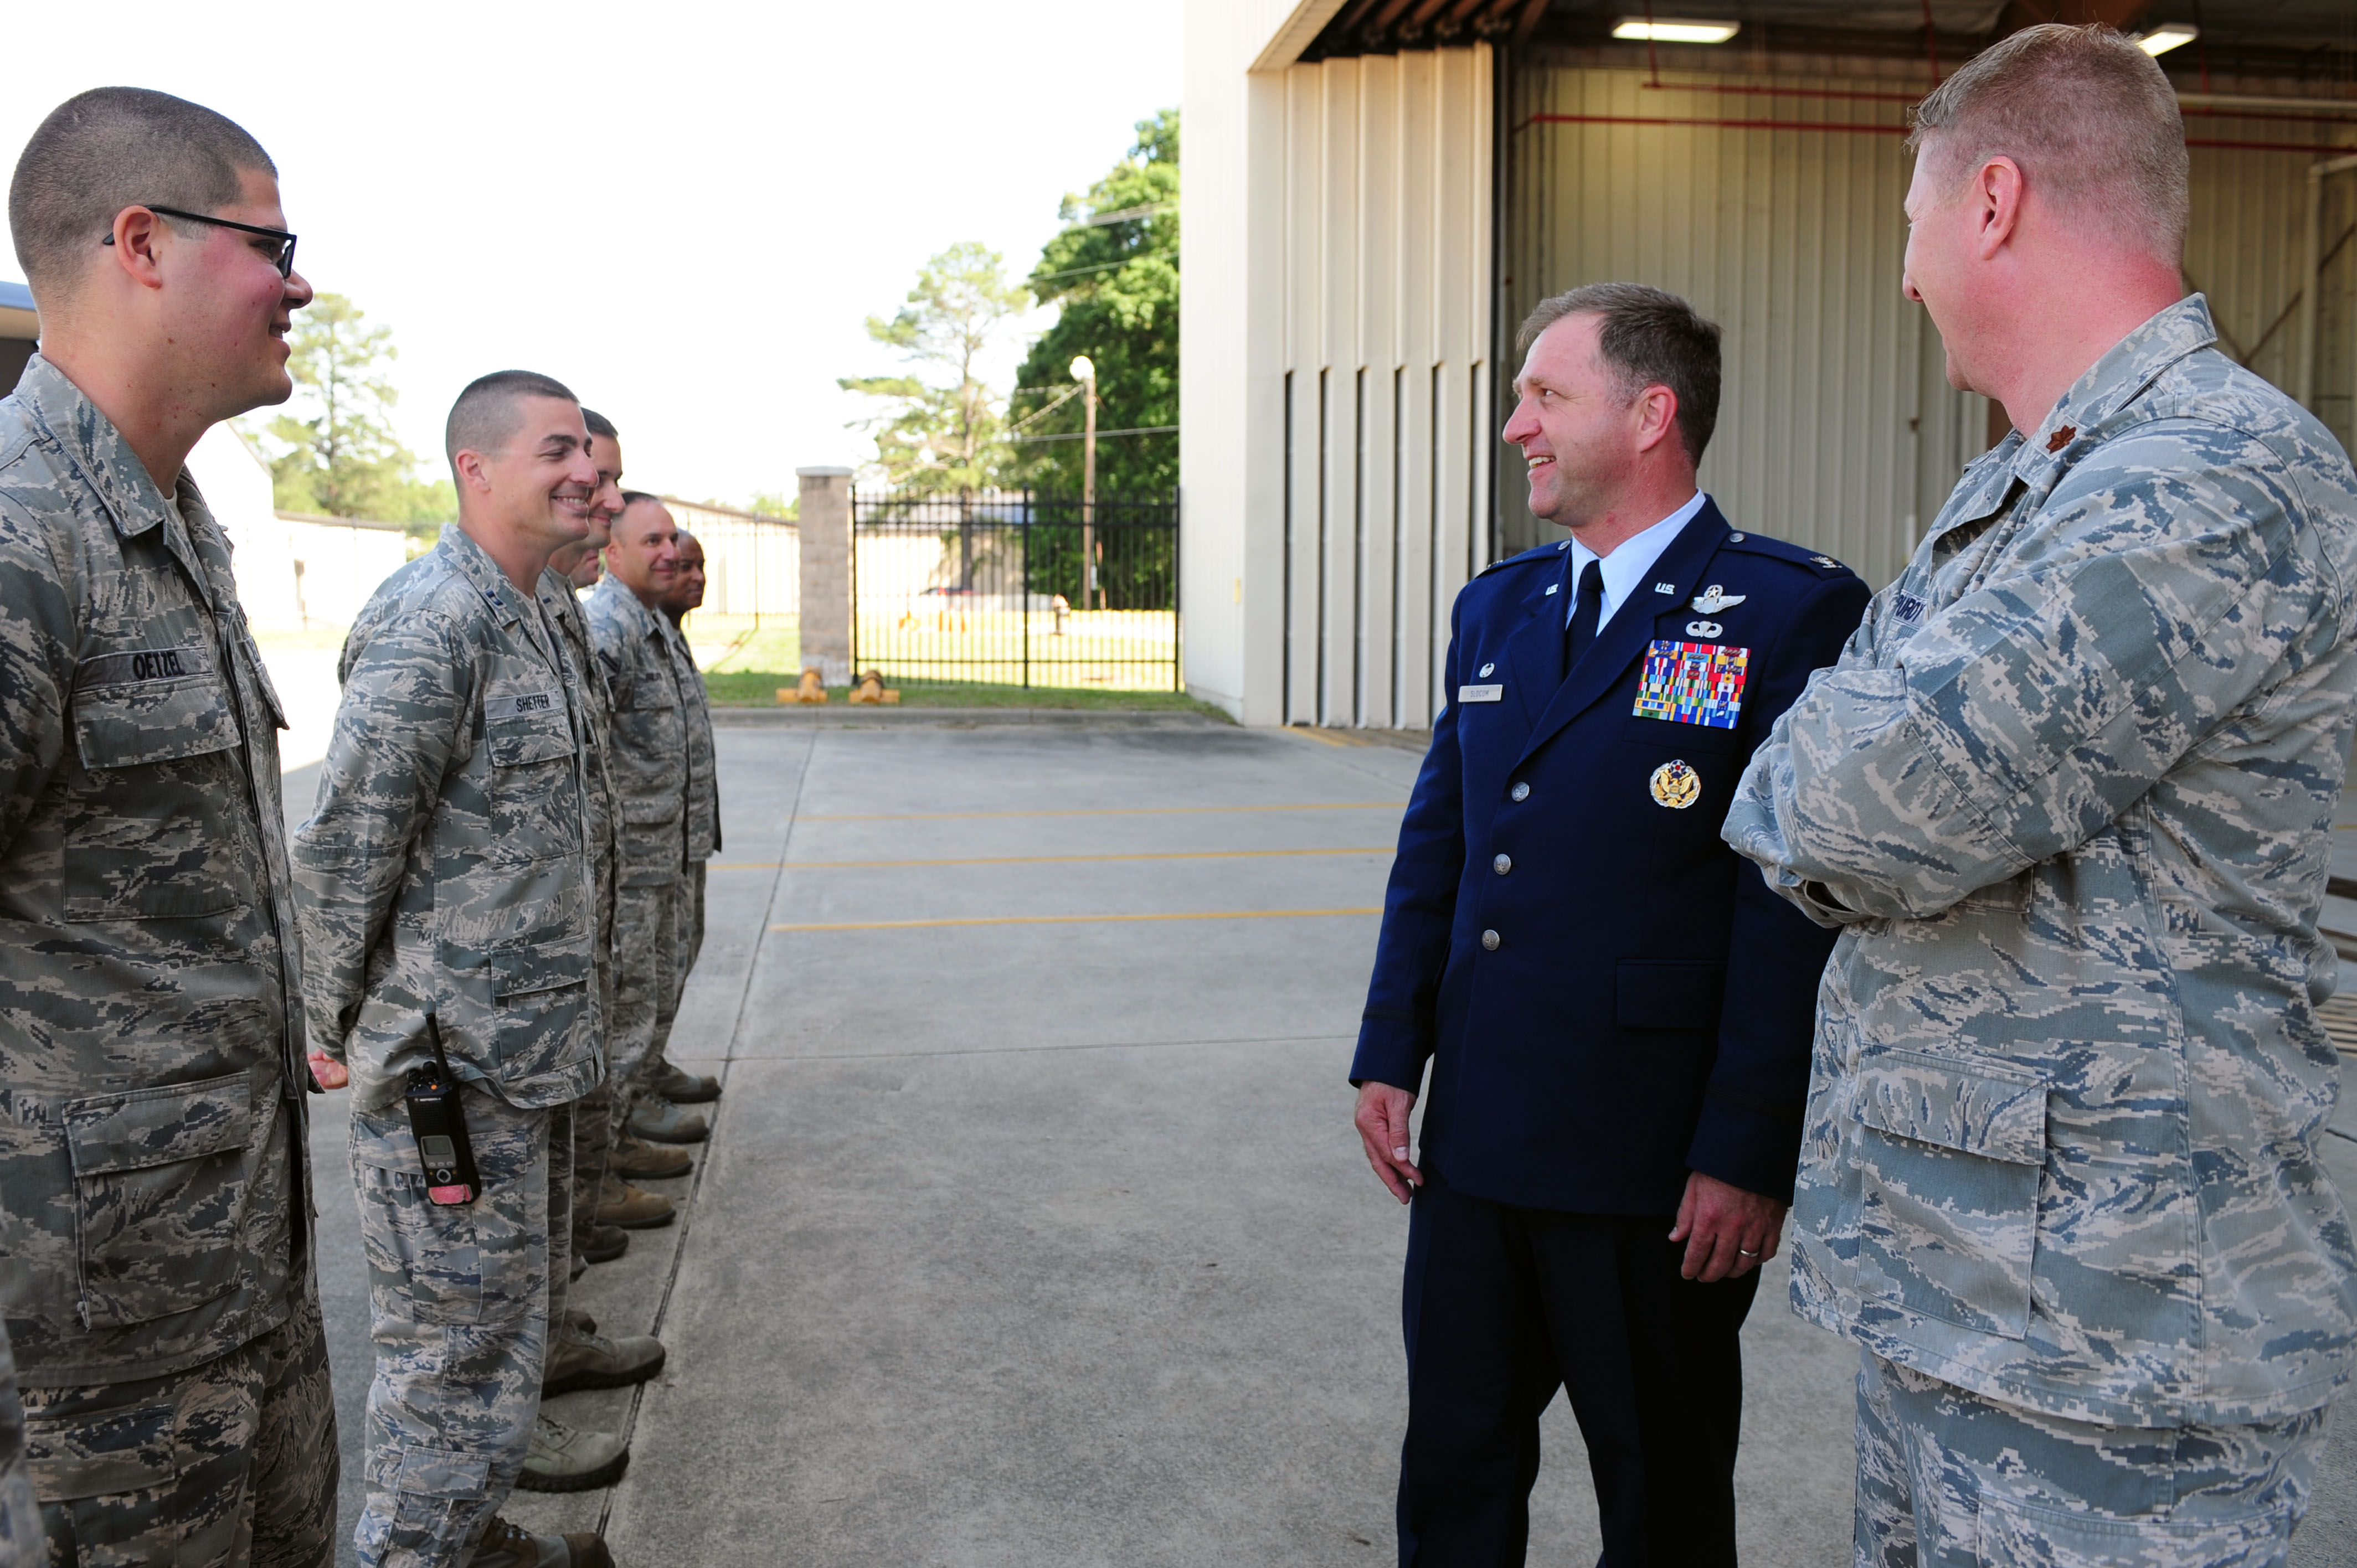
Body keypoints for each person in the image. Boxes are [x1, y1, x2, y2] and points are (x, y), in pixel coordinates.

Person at [1722, 25, 2357, 1564]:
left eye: (1914, 222)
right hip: (1972, 1293)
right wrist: (1824, 771)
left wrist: (1824, 780)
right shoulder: (2035, 480)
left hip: (2119, 1341)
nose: (1905, 275)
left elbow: (1850, 799)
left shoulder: (2211, 472)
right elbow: (1824, 766)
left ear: (1994, 201)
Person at [1351, 283, 1869, 1565]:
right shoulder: (1499, 607)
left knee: (1662, 1494)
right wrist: (1390, 1049)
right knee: (1454, 1469)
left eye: (1546, 395)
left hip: (1652, 1164)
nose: (1516, 426)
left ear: (1651, 415)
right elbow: (1442, 841)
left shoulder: (1785, 611)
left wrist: (1748, 1147)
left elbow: (1787, 904)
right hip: (1477, 1142)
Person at [0, 87, 337, 1568]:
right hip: (97, 1359)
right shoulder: (21, 538)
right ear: (142, 244)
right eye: (272, 245)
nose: (299, 286)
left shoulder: (173, 521)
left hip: (239, 1275)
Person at [294, 370, 616, 1568]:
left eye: (587, 449)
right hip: (452, 1071)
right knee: (450, 1363)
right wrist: (321, 1019)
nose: (585, 471)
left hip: (529, 1054)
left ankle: (470, 1542)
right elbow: (349, 843)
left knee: (502, 1346)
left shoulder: (541, 608)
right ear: (474, 468)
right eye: (555, 449)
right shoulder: (433, 620)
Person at [586, 495, 712, 1152]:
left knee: (660, 984)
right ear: (612, 553)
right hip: (634, 862)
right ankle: (613, 1141)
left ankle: (640, 1091)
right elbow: (589, 752)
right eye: (652, 542)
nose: (670, 553)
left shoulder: (650, 622)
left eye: (673, 540)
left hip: (674, 847)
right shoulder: (611, 628)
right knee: (630, 1000)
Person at [653, 530, 721, 1105]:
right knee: (645, 979)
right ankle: (633, 1100)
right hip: (648, 850)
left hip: (684, 838)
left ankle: (650, 1068)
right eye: (683, 567)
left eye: (699, 567)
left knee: (677, 958)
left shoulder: (669, 636)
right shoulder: (624, 633)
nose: (695, 578)